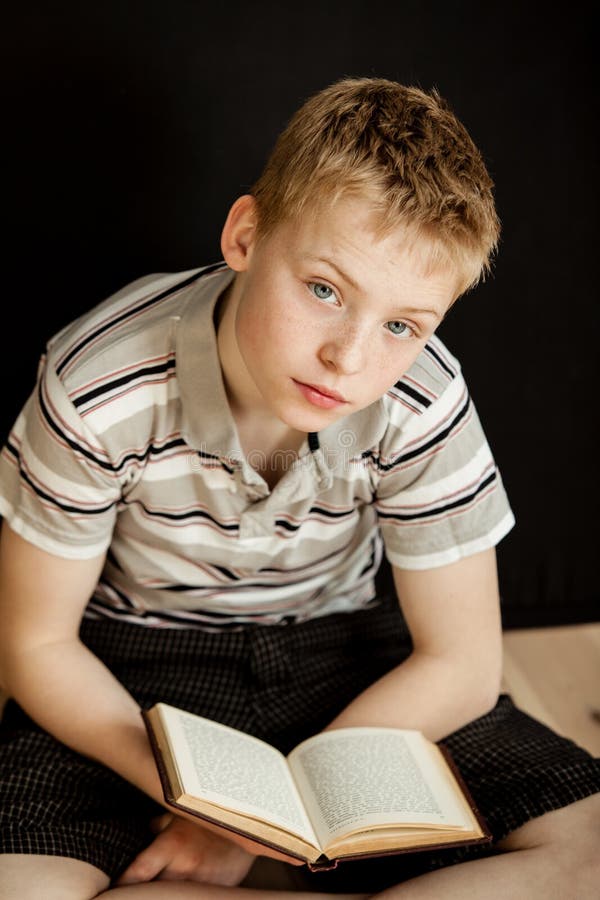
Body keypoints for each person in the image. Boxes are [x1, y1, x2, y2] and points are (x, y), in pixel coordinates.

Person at [0, 77, 598, 900]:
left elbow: (459, 663)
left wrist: (283, 810)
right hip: (139, 674)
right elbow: (37, 645)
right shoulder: (98, 384)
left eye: (401, 326)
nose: (349, 360)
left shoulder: (421, 398)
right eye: (324, 290)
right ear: (246, 235)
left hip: (347, 661)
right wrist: (204, 809)